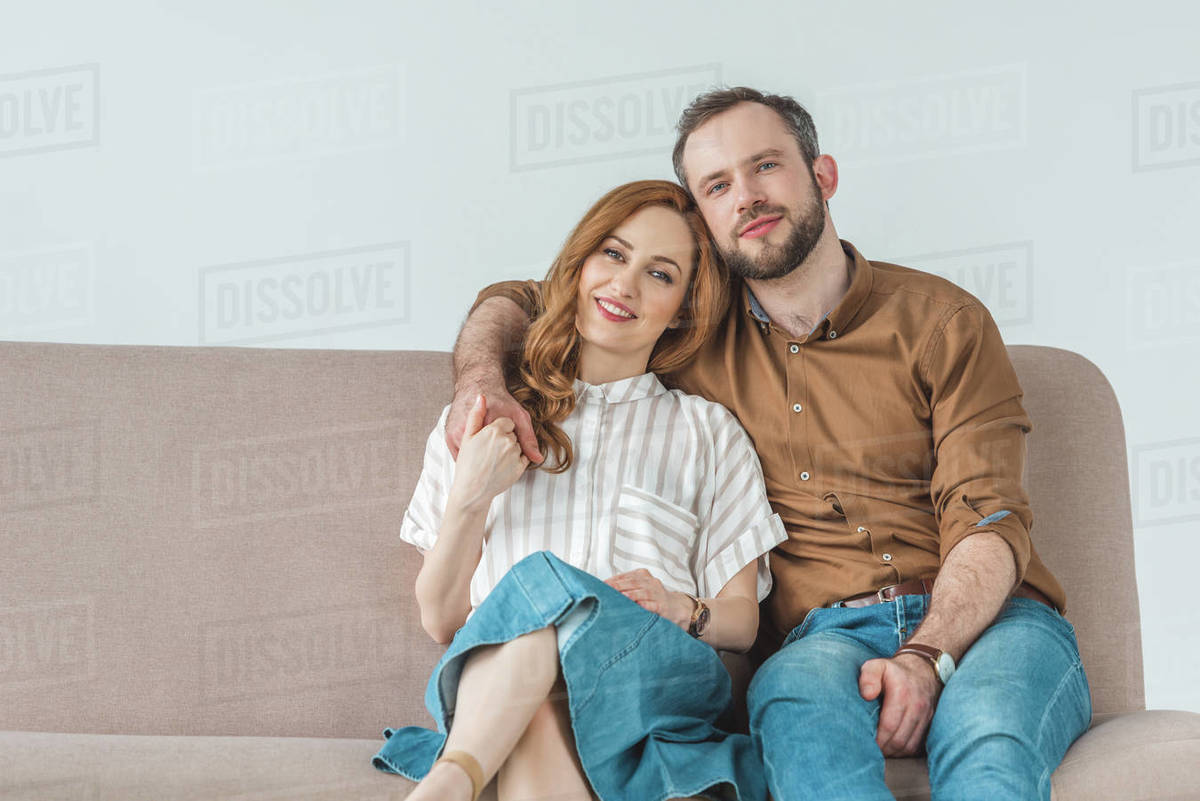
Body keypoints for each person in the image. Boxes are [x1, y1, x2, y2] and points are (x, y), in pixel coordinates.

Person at [453, 88, 1092, 801]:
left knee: (989, 744)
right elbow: (522, 297)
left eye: (766, 167)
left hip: (992, 625)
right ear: (706, 222)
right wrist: (479, 379)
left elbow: (988, 516)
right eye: (718, 185)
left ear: (823, 176)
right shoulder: (686, 335)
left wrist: (927, 654)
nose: (746, 197)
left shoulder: (943, 322)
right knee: (805, 743)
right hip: (819, 644)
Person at [372, 180, 788, 801]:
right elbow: (441, 618)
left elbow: (742, 624)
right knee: (536, 665)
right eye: (614, 255)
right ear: (583, 260)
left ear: (682, 308)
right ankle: (454, 780)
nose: (624, 286)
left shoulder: (707, 432)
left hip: (649, 686)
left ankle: (449, 781)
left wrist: (682, 607)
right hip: (507, 686)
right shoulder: (485, 420)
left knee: (552, 589)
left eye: (660, 274)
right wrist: (472, 495)